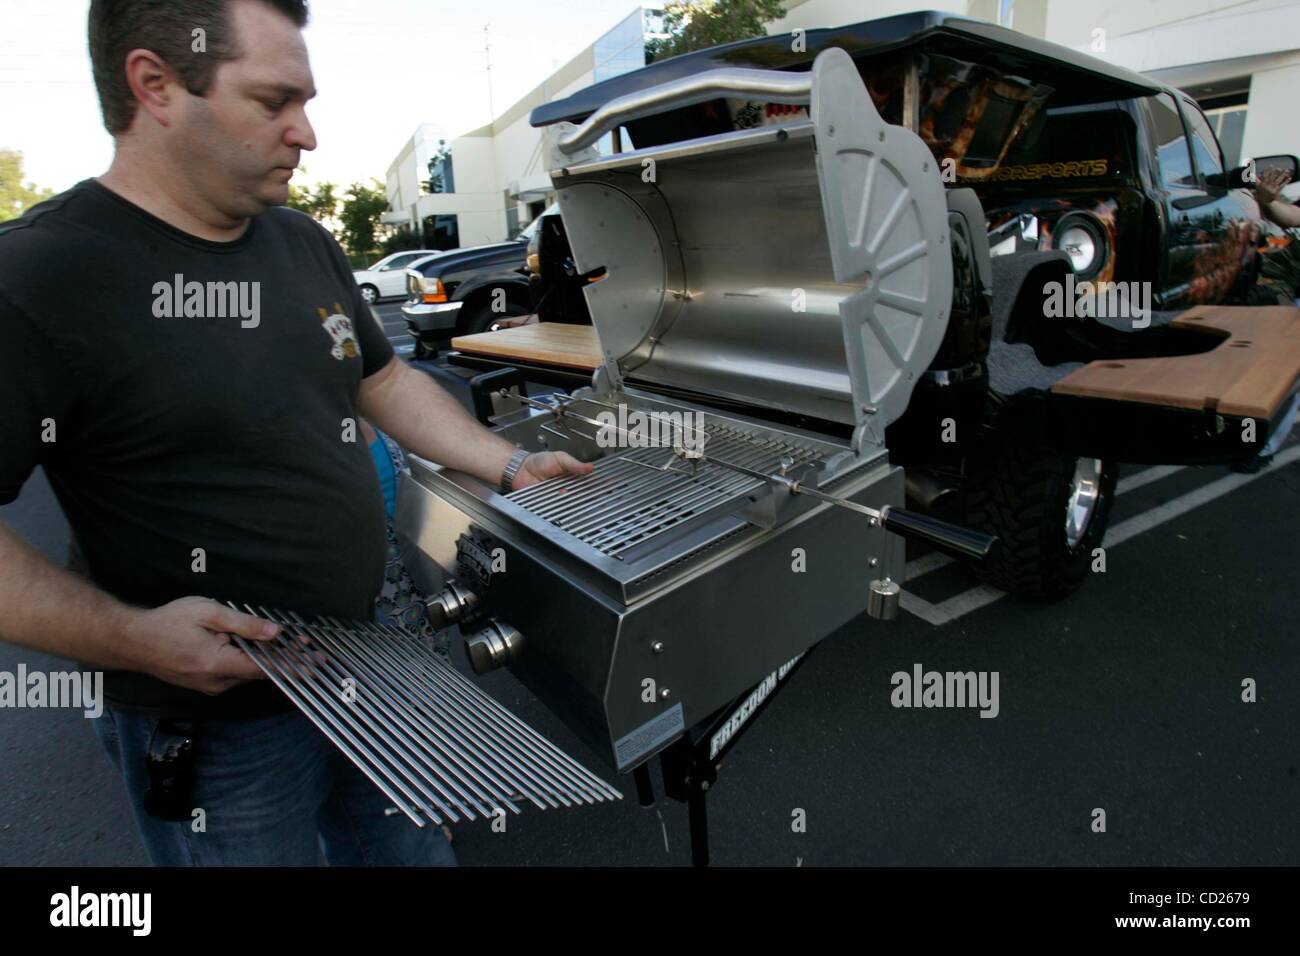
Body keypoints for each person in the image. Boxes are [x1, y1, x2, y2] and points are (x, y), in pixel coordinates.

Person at [0, 0, 592, 866]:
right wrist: (129, 638)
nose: (306, 134)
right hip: (217, 729)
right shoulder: (41, 277)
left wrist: (513, 464)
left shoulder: (303, 242)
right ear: (155, 85)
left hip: (378, 667)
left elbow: (382, 381)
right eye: (274, 102)